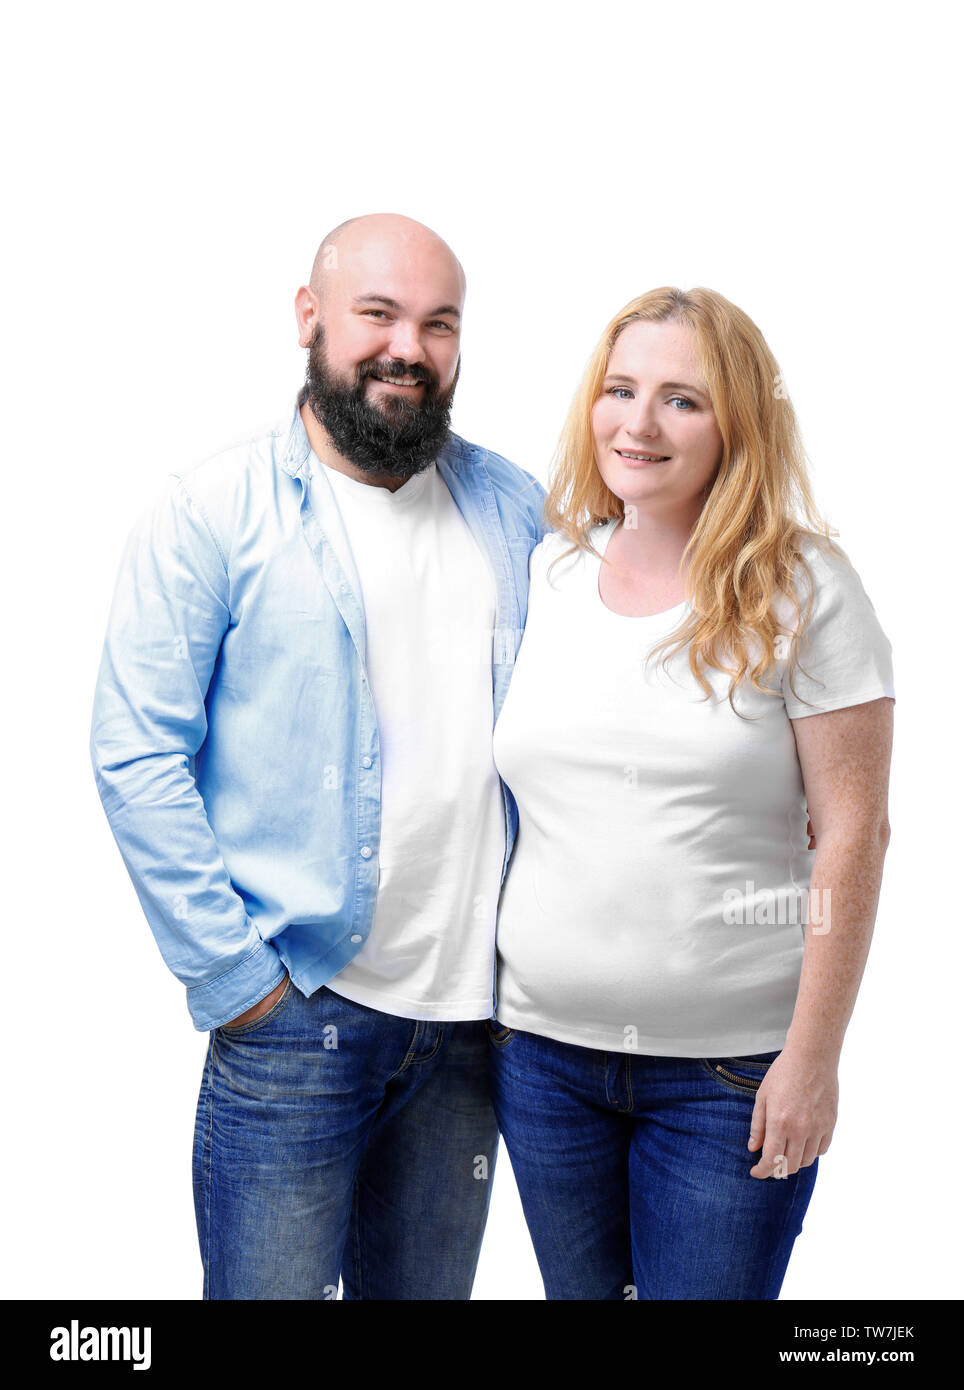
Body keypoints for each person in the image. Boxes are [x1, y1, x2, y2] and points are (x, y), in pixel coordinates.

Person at [89, 213, 547, 1300]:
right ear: (310, 318)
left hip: (472, 1029)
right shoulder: (211, 510)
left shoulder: (517, 511)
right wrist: (236, 979)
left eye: (439, 325)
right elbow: (135, 749)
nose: (410, 348)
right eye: (378, 314)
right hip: (296, 1015)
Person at [487, 286, 895, 1300]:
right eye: (619, 390)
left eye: (681, 399)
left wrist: (809, 1060)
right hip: (541, 1058)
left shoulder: (806, 590)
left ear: (737, 423)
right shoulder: (548, 574)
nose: (637, 422)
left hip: (727, 1078)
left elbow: (853, 835)